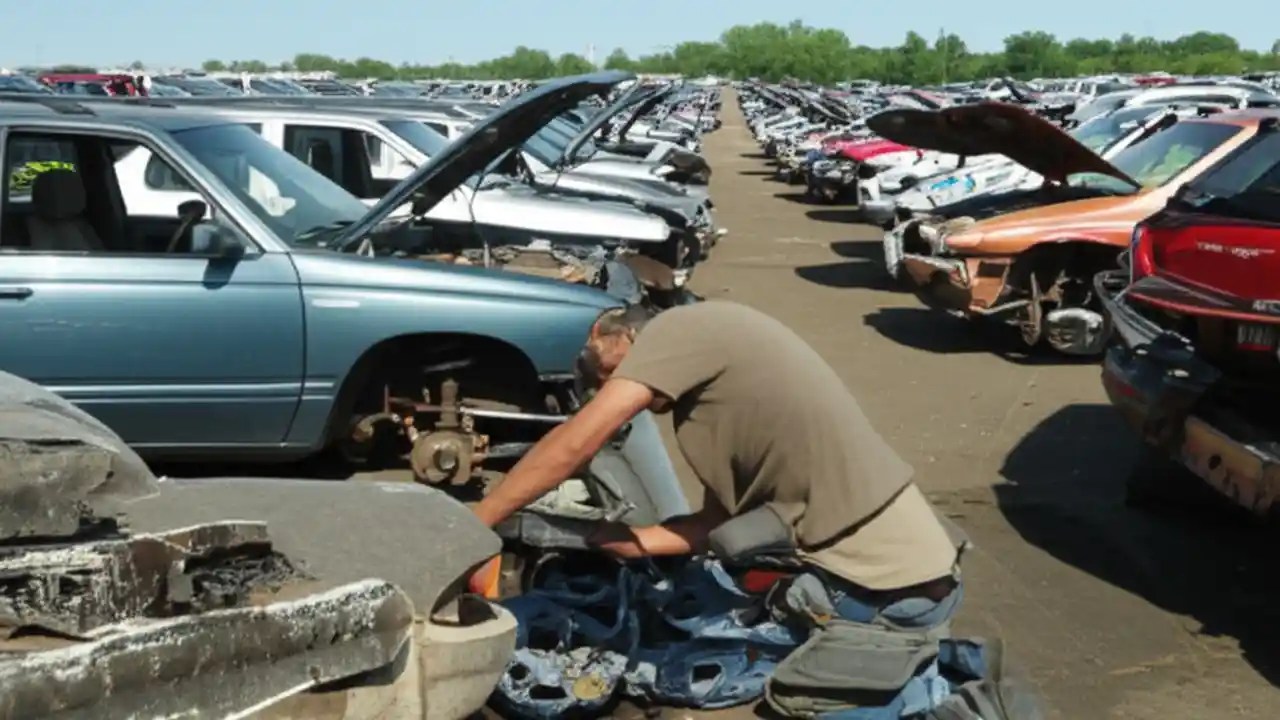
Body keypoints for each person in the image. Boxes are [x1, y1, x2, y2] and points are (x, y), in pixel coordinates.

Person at [470, 300, 964, 629]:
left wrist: (480, 522)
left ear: (615, 332)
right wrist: (618, 541)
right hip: (912, 581)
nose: (608, 387)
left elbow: (575, 442)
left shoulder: (676, 329)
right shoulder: (716, 386)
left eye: (606, 372)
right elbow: (713, 525)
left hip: (881, 589)